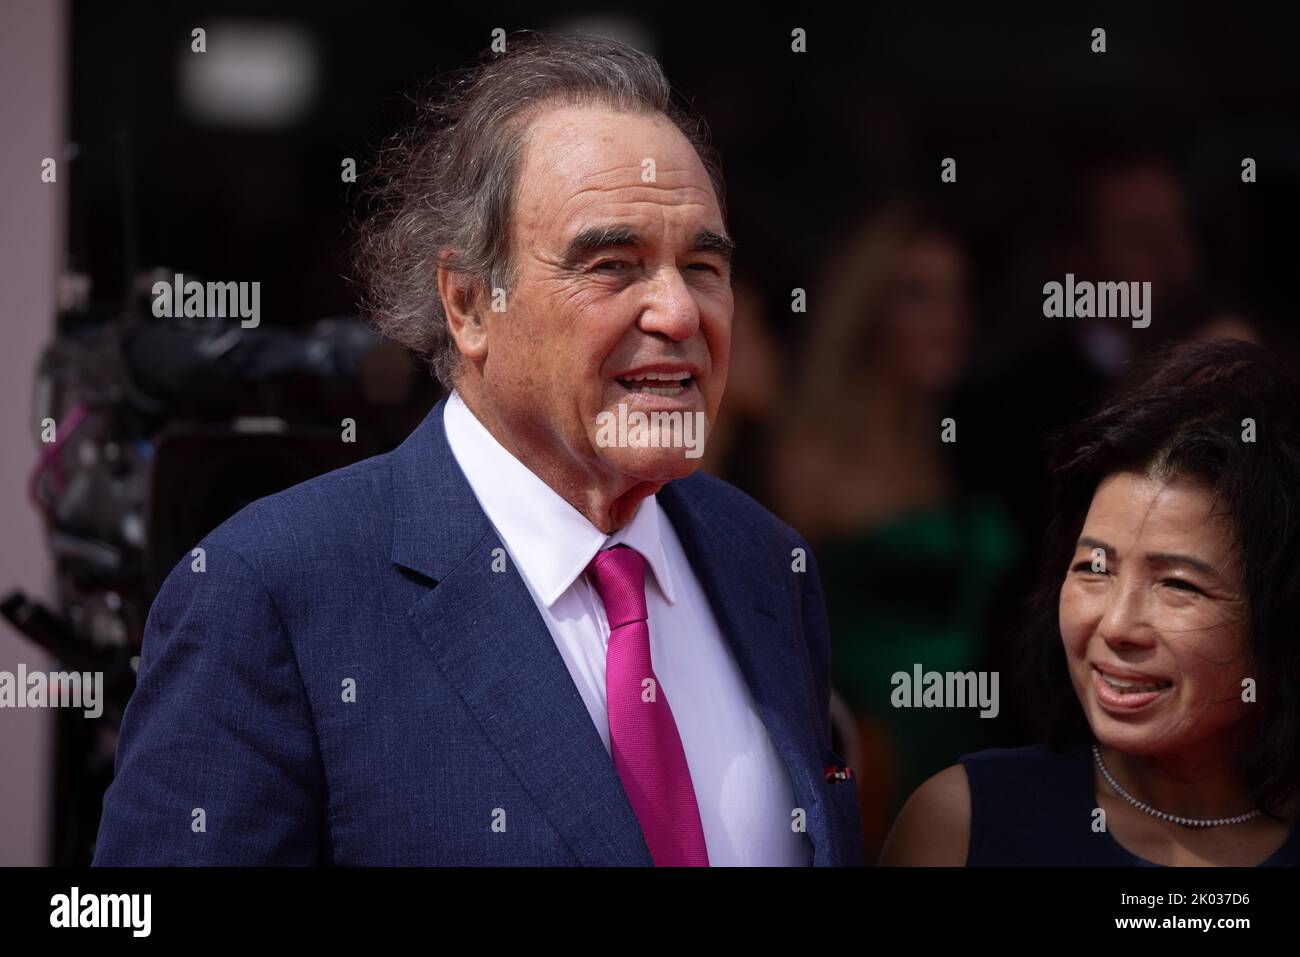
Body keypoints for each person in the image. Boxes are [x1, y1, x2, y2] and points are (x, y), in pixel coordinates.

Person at [92, 31, 864, 867]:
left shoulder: (767, 566)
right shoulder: (273, 592)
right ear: (467, 304)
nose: (679, 314)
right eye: (613, 264)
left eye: (705, 268)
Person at [880, 338, 1300, 866]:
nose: (1117, 626)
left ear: (1281, 612)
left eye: (1177, 585)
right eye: (1094, 569)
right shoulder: (964, 825)